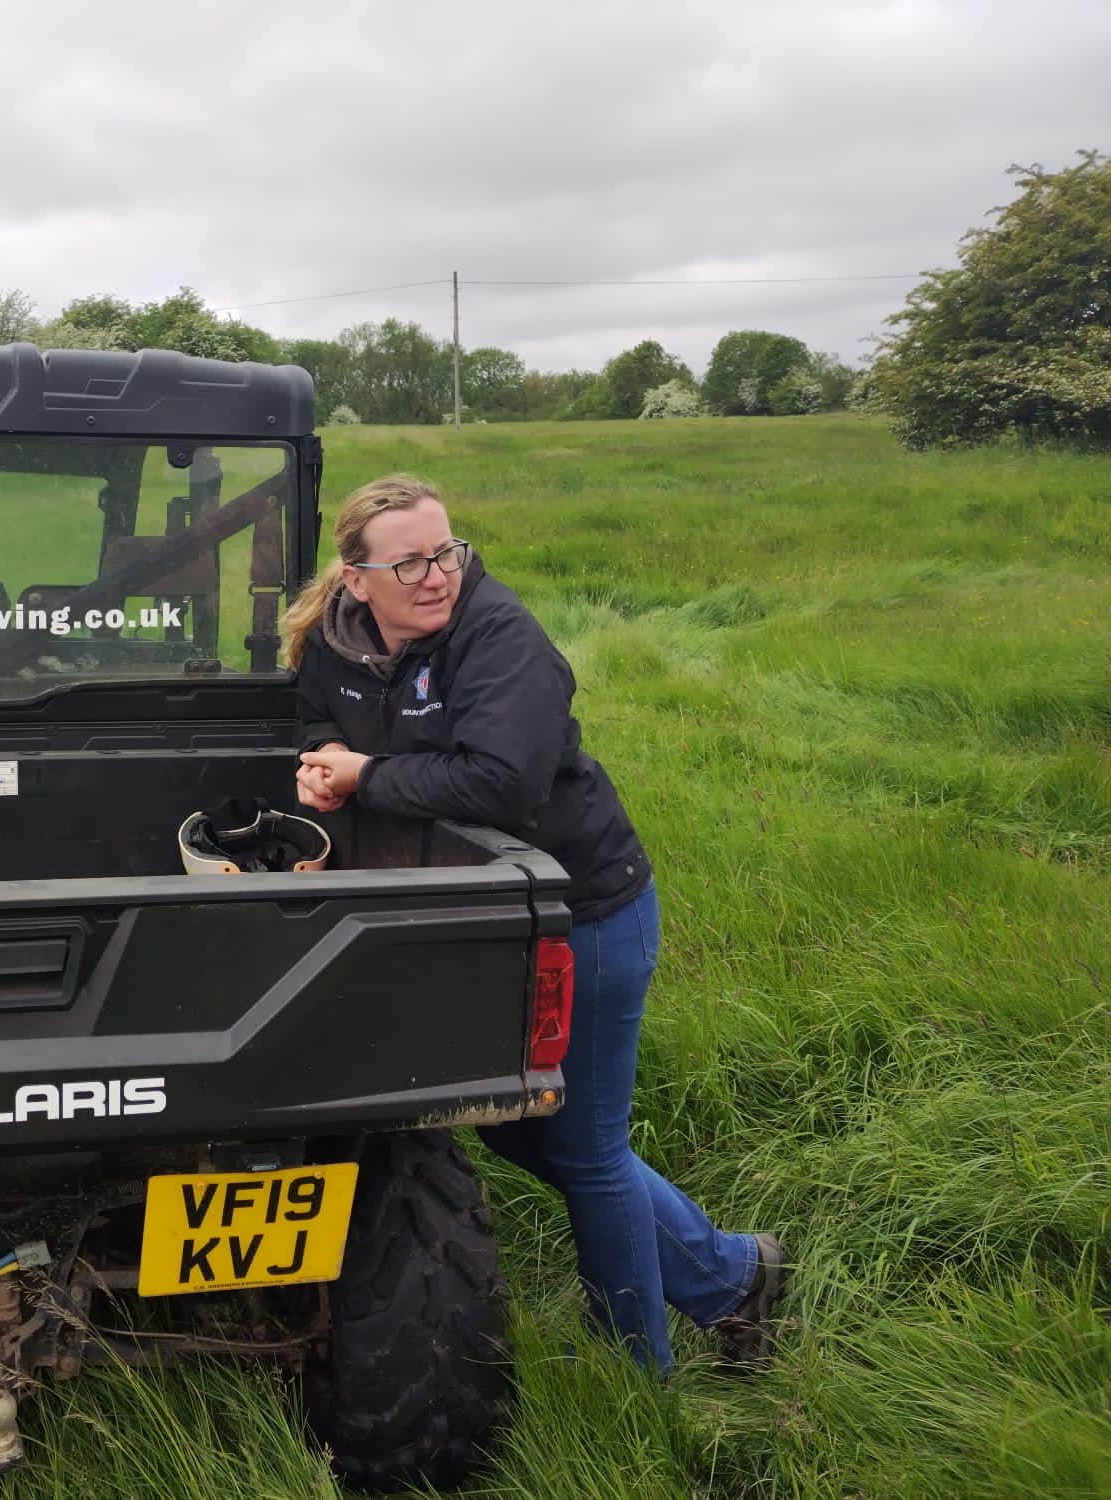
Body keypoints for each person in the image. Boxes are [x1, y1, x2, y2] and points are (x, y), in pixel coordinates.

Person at [289, 473, 787, 1378]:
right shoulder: (335, 642)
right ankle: (733, 1277)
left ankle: (637, 1372)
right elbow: (321, 727)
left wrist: (363, 777)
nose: (437, 576)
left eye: (448, 552)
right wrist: (324, 772)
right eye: (410, 562)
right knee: (515, 1128)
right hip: (467, 916)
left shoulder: (501, 638)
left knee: (587, 1151)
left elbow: (499, 783)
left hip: (584, 913)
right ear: (359, 580)